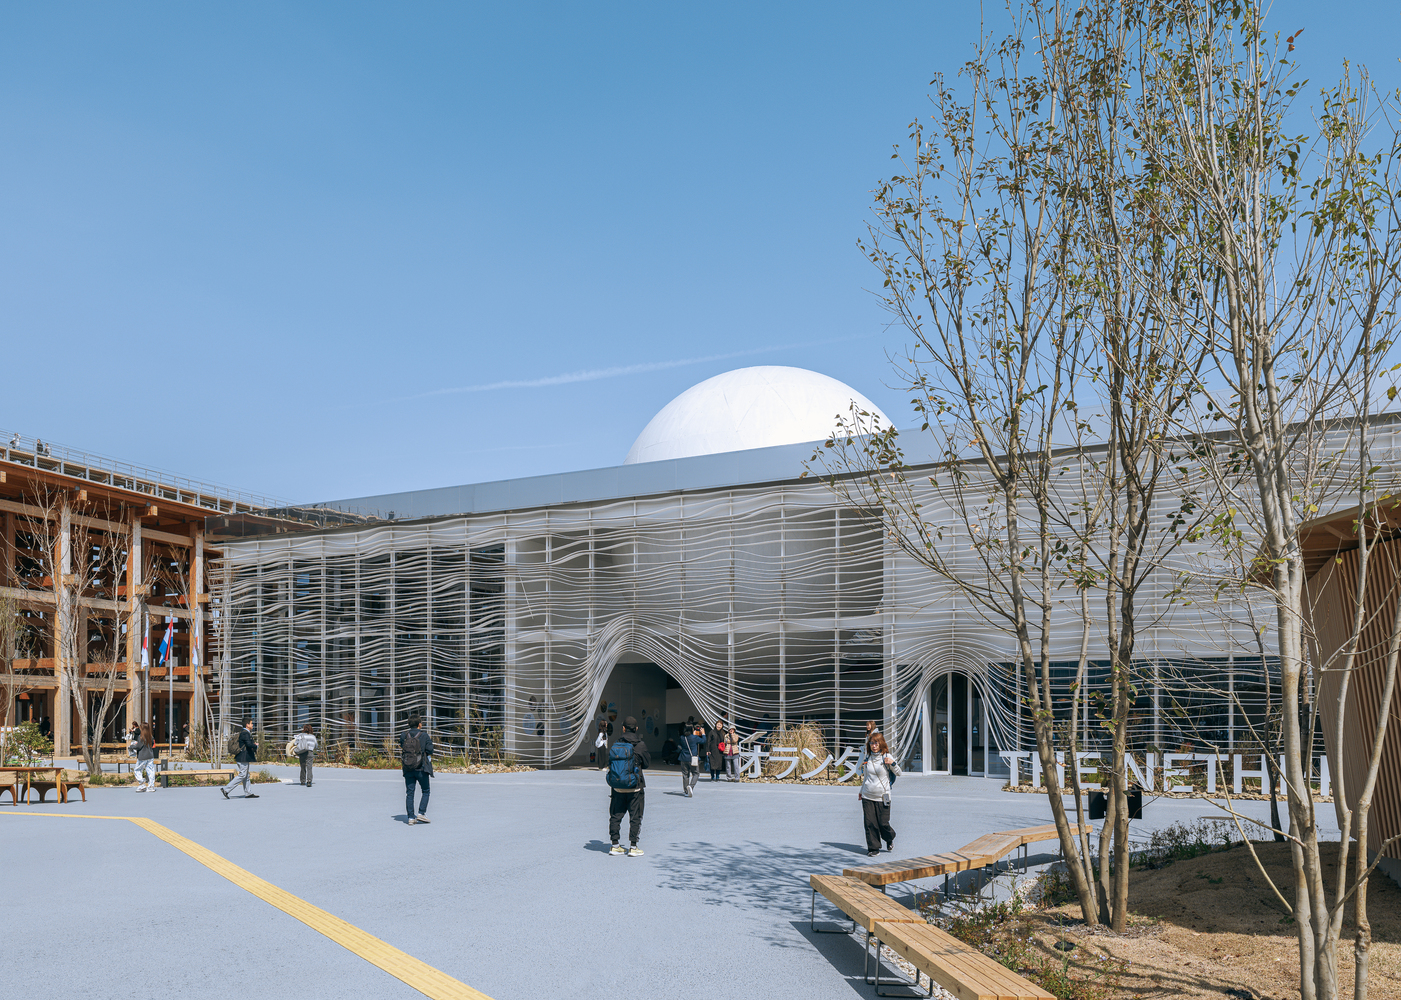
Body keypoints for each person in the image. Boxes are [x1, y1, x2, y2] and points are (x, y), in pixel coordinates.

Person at [606, 716, 650, 855]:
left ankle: (615, 845)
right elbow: (647, 764)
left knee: (615, 815)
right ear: (636, 729)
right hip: (635, 786)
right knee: (635, 817)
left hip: (618, 786)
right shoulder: (640, 744)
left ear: (623, 728)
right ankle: (633, 847)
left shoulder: (616, 743)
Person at [858, 733, 900, 857]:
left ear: (881, 743)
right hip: (867, 795)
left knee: (883, 823)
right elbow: (866, 777)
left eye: (876, 743)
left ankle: (889, 838)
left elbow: (899, 773)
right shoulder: (867, 758)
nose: (874, 746)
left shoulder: (886, 757)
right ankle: (873, 848)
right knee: (870, 823)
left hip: (883, 796)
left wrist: (892, 763)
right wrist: (861, 791)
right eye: (871, 743)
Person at [400, 715, 433, 825]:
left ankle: (410, 817)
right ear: (419, 724)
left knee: (410, 793)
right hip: (421, 768)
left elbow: (402, 746)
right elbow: (430, 750)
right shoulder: (424, 735)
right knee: (426, 791)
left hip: (408, 768)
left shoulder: (404, 735)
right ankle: (421, 813)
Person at [221, 719, 259, 799]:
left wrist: (253, 744)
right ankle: (226, 789)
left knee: (246, 775)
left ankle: (248, 793)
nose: (252, 725)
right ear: (247, 725)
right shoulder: (245, 733)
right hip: (243, 757)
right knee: (243, 775)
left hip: (243, 757)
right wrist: (255, 746)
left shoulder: (245, 733)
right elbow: (248, 744)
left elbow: (247, 743)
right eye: (251, 723)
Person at [676, 722, 704, 797]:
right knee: (696, 773)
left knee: (685, 774)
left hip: (683, 758)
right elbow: (703, 740)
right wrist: (703, 733)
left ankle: (686, 791)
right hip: (692, 758)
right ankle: (691, 786)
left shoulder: (682, 737)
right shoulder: (694, 737)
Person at [130, 722, 158, 792]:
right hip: (150, 756)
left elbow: (138, 746)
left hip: (142, 756)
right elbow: (151, 744)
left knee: (137, 770)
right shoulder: (151, 736)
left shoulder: (141, 737)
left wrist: (132, 746)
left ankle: (142, 783)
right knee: (150, 771)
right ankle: (151, 786)